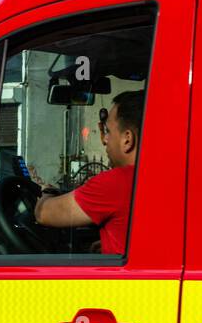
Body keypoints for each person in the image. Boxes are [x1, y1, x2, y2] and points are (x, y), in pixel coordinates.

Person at [34, 90, 142, 254]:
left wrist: (46, 191)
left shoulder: (118, 182)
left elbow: (44, 214)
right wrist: (109, 244)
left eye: (108, 131)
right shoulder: (166, 177)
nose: (105, 140)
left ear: (127, 139)